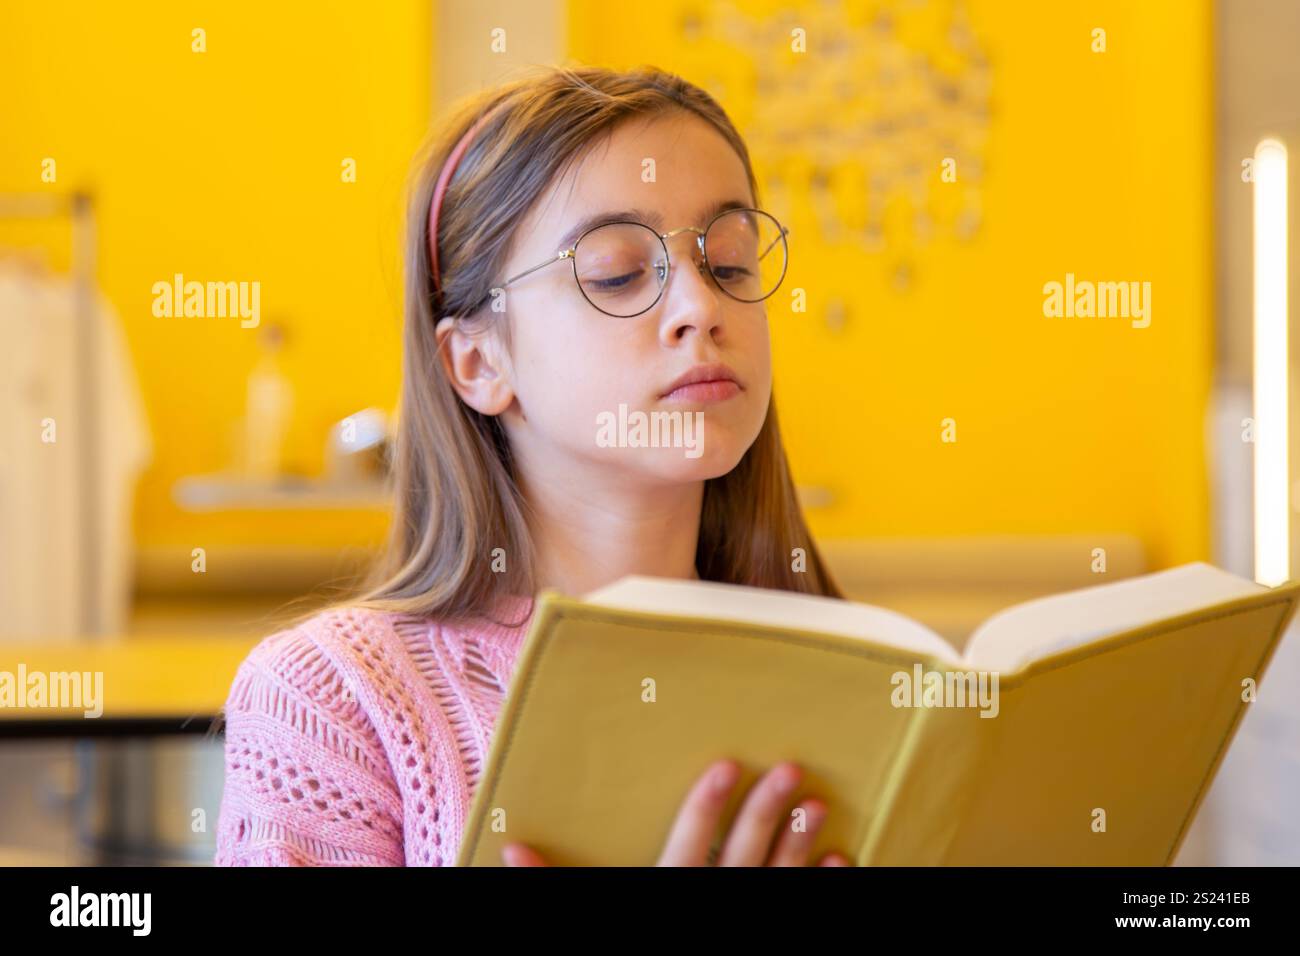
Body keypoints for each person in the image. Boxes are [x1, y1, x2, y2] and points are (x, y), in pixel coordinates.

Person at [214, 64, 848, 867]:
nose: (702, 309)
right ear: (478, 362)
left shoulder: (850, 679)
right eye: (617, 273)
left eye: (728, 262)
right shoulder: (332, 701)